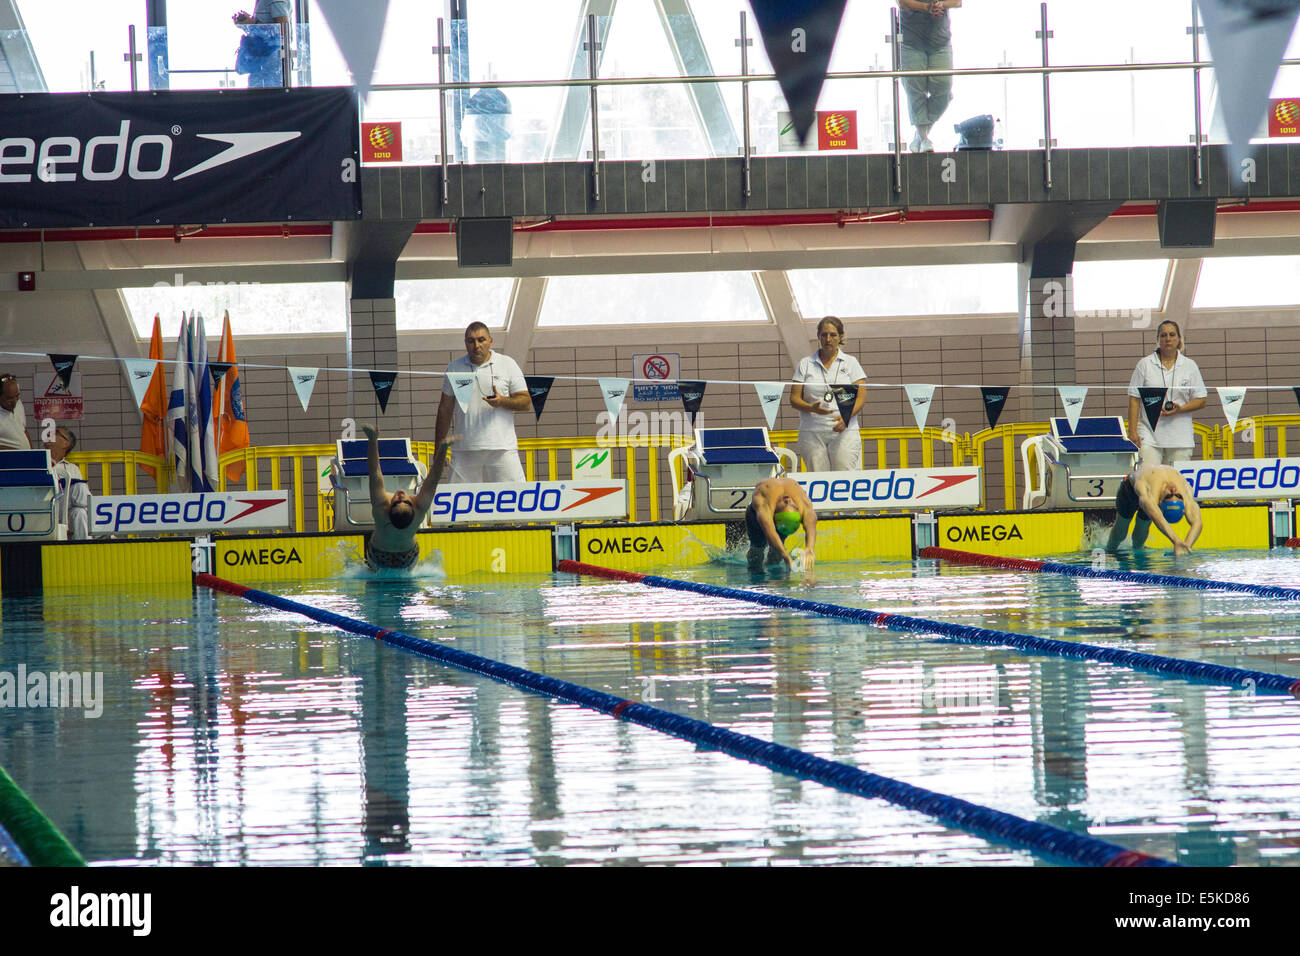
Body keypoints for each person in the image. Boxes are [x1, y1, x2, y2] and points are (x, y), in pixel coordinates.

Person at [434, 322, 531, 483]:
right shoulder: (455, 367)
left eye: (481, 340)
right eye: (471, 341)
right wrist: (439, 447)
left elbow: (526, 402)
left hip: (502, 447)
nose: (476, 345)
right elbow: (445, 409)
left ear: (491, 341)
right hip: (464, 448)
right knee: (459, 503)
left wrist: (502, 402)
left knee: (515, 500)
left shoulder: (507, 364)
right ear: (465, 343)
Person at [361, 424, 450, 571]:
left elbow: (374, 472)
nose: (401, 493)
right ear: (413, 507)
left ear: (389, 508)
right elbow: (433, 479)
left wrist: (372, 440)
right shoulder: (419, 508)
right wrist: (443, 450)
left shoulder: (381, 507)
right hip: (407, 557)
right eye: (406, 500)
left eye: (397, 499)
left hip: (379, 555)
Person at [790, 316, 867, 471]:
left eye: (832, 335)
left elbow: (861, 397)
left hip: (845, 430)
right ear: (818, 336)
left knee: (845, 474)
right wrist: (812, 408)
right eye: (824, 335)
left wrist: (847, 417)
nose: (828, 339)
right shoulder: (806, 364)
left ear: (840, 337)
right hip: (813, 432)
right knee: (818, 478)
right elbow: (794, 399)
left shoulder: (850, 362)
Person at [1126, 320, 1207, 467]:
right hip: (1149, 434)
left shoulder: (1190, 366)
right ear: (1158, 340)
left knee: (1175, 484)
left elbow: (1201, 400)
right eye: (1163, 335)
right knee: (1149, 479)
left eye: (1172, 335)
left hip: (1180, 436)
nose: (1168, 339)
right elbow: (1134, 398)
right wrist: (1132, 431)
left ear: (1179, 339)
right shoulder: (1144, 365)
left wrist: (1180, 409)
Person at [897, 0, 959, 153]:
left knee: (943, 89)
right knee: (915, 92)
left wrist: (941, 5)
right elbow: (902, 2)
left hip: (940, 42)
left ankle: (919, 136)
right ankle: (924, 139)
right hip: (911, 42)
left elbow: (957, 2)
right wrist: (927, 8)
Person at [1106, 463, 1202, 555]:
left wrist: (1186, 545)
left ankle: (1137, 551)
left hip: (1145, 493)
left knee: (1141, 529)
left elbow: (1197, 523)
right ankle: (1110, 549)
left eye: (1169, 495)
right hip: (1129, 490)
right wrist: (1176, 541)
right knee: (1121, 531)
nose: (1173, 490)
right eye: (1177, 495)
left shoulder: (1153, 497)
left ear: (1159, 504)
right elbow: (1197, 523)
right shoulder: (1185, 492)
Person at [746, 476, 818, 572]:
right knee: (757, 550)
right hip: (754, 514)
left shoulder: (804, 507)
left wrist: (809, 548)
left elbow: (811, 525)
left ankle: (773, 574)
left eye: (789, 504)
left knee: (776, 555)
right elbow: (770, 531)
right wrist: (786, 556)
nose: (788, 500)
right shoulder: (765, 502)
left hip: (780, 520)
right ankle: (754, 571)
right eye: (786, 504)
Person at [45, 425, 90, 539]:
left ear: (66, 443)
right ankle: (96, 522)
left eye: (56, 432)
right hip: (48, 504)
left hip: (66, 510)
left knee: (79, 513)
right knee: (80, 487)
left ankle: (82, 548)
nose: (49, 433)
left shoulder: (73, 468)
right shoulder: (38, 461)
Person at [233, 1, 290, 89]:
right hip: (261, 61)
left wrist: (253, 23)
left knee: (268, 98)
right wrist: (248, 24)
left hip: (272, 61)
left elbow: (283, 32)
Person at [0, 374, 29, 449]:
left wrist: (31, 452)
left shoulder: (19, 404)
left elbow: (23, 430)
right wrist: (14, 452)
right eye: (10, 398)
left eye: (17, 396)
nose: (14, 401)